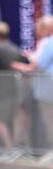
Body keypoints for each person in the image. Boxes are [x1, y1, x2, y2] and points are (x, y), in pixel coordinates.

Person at [0, 21, 32, 151]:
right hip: (16, 88)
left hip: (1, 89)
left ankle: (10, 147)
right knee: (16, 116)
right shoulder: (14, 47)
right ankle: (17, 145)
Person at [32, 16, 53, 152]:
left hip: (47, 88)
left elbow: (38, 64)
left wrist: (26, 64)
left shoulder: (48, 42)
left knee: (49, 120)